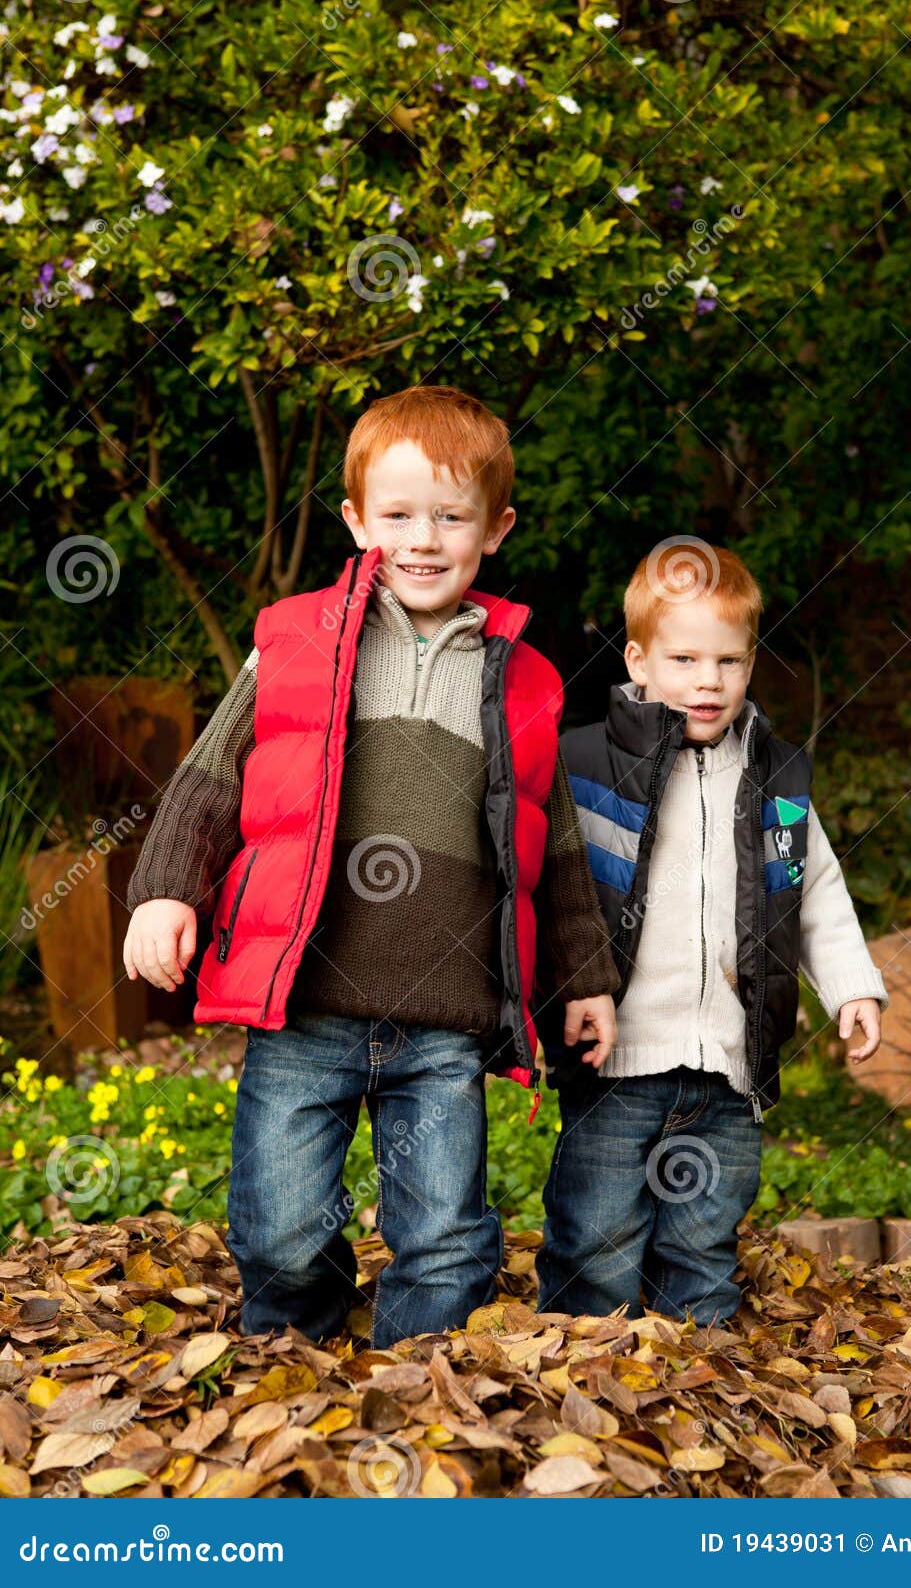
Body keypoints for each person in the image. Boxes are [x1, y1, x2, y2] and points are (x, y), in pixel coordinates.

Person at [123, 384, 618, 1348]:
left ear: (496, 529)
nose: (423, 538)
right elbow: (211, 779)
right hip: (306, 1000)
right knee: (282, 1227)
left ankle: (421, 1381)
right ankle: (289, 1362)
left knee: (442, 1231)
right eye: (397, 515)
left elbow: (551, 846)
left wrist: (587, 979)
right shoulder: (296, 643)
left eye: (451, 516)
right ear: (355, 521)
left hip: (446, 1013)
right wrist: (165, 891)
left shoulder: (521, 679)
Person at [535, 539, 887, 1325]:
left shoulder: (775, 779)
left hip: (728, 1061)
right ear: (637, 660)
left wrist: (852, 985)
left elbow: (815, 889)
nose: (707, 680)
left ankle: (700, 1377)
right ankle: (581, 1366)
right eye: (684, 658)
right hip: (616, 1058)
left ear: (750, 664)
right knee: (596, 1234)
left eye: (727, 661)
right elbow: (549, 890)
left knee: (702, 1238)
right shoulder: (582, 766)